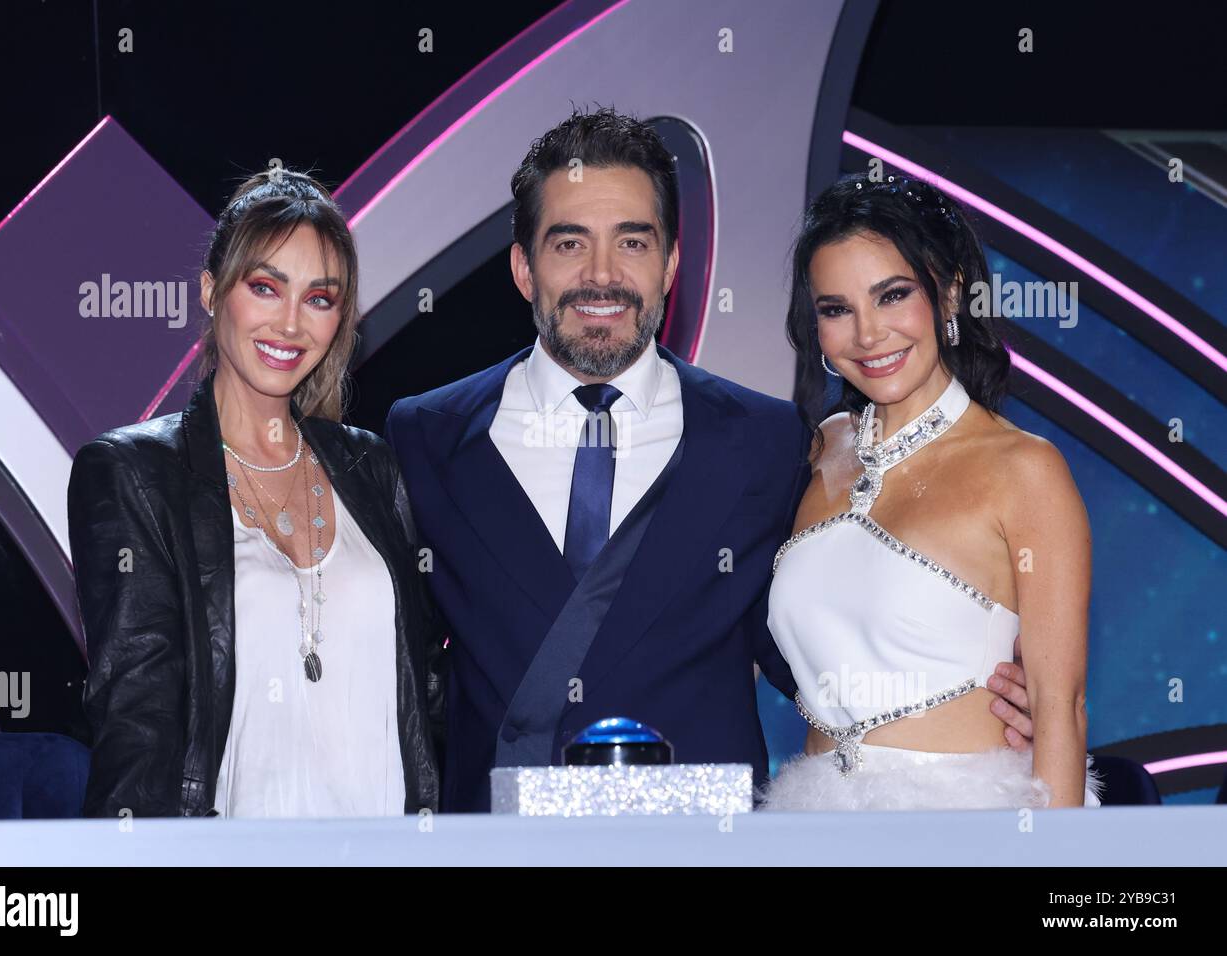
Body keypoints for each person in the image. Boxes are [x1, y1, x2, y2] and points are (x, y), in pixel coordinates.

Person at [387, 108, 1036, 812]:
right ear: (523, 267)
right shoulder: (428, 437)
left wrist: (974, 689)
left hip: (706, 846)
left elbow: (814, 634)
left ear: (669, 264)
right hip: (496, 851)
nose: (601, 275)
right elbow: (388, 658)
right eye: (569, 243)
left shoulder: (767, 440)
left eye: (632, 242)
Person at [68, 170, 443, 818]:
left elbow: (428, 699)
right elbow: (139, 730)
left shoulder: (373, 467)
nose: (291, 323)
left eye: (320, 299)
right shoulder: (133, 474)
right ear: (212, 292)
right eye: (266, 287)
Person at [761, 173, 1103, 810]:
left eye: (892, 296)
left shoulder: (1024, 469)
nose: (868, 335)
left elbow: (1061, 714)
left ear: (947, 296)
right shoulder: (821, 448)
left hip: (965, 831)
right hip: (811, 829)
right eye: (837, 309)